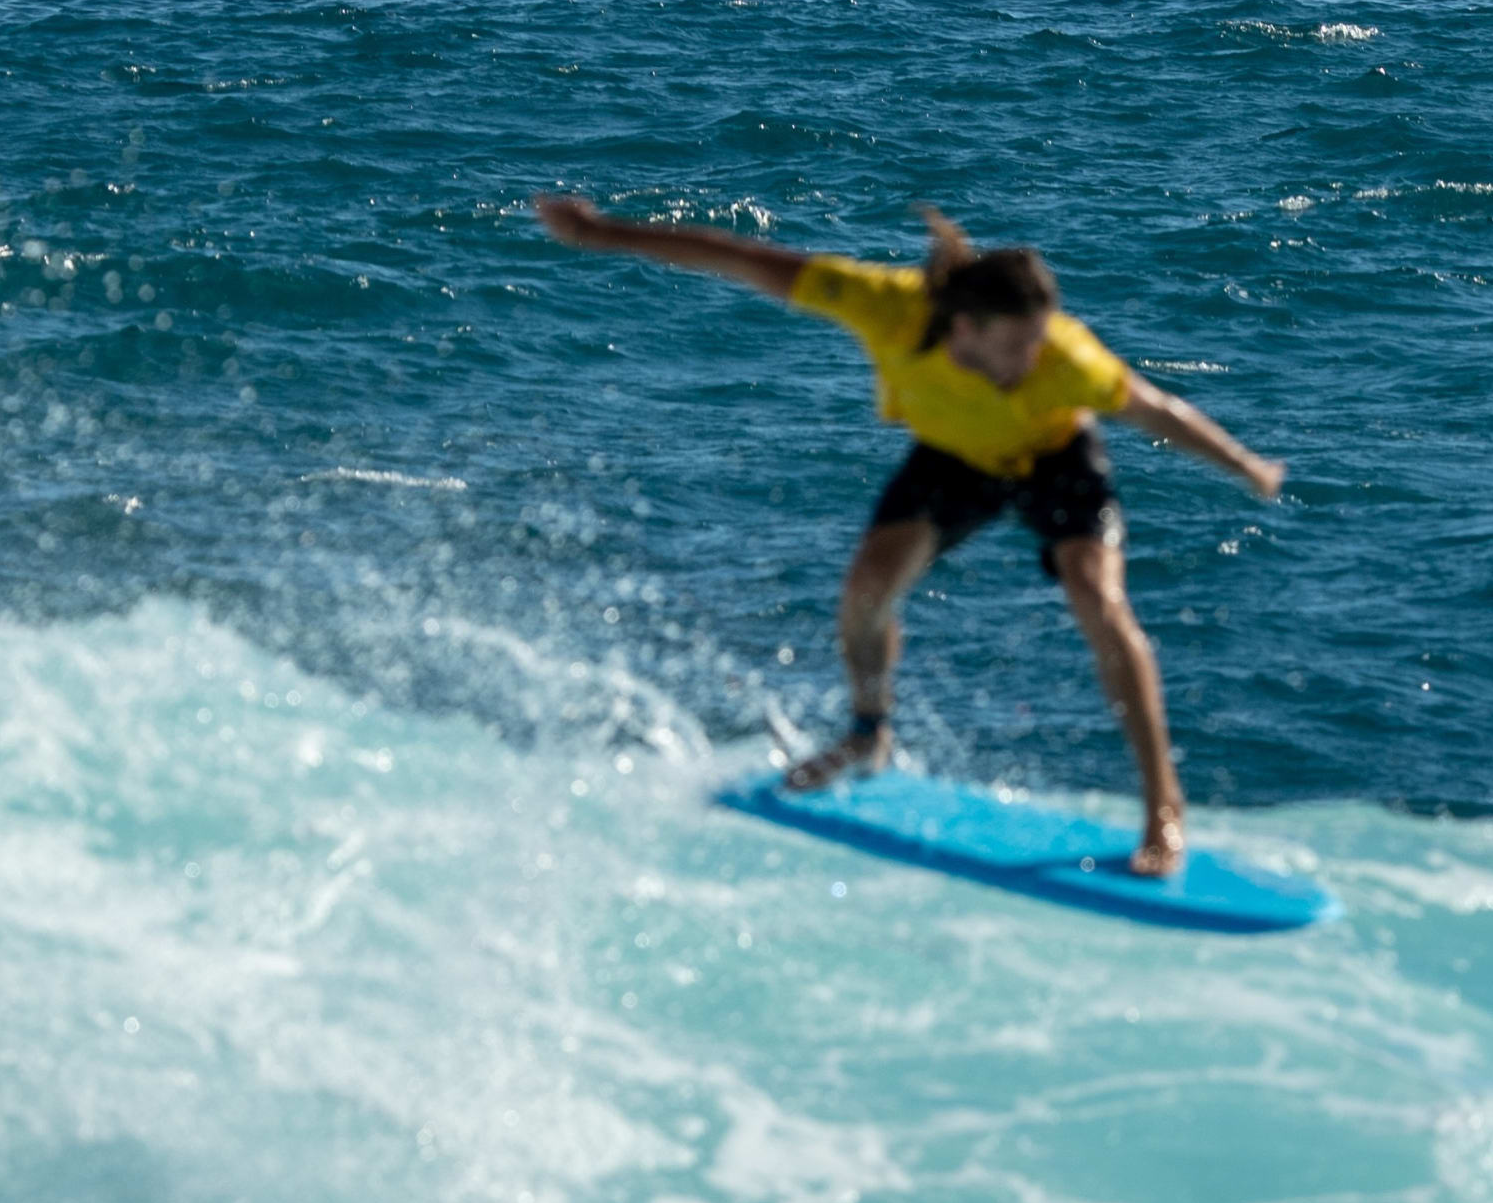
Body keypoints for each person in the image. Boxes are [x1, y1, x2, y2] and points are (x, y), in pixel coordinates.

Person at [531, 195, 1284, 876]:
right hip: (955, 455)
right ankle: (868, 734)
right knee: (864, 598)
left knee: (1099, 600)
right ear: (967, 328)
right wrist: (600, 234)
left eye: (1041, 338)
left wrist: (1246, 464)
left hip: (1055, 459)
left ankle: (1163, 811)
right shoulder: (884, 307)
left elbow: (1158, 411)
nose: (1037, 354)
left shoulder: (1067, 364)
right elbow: (746, 259)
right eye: (1020, 342)